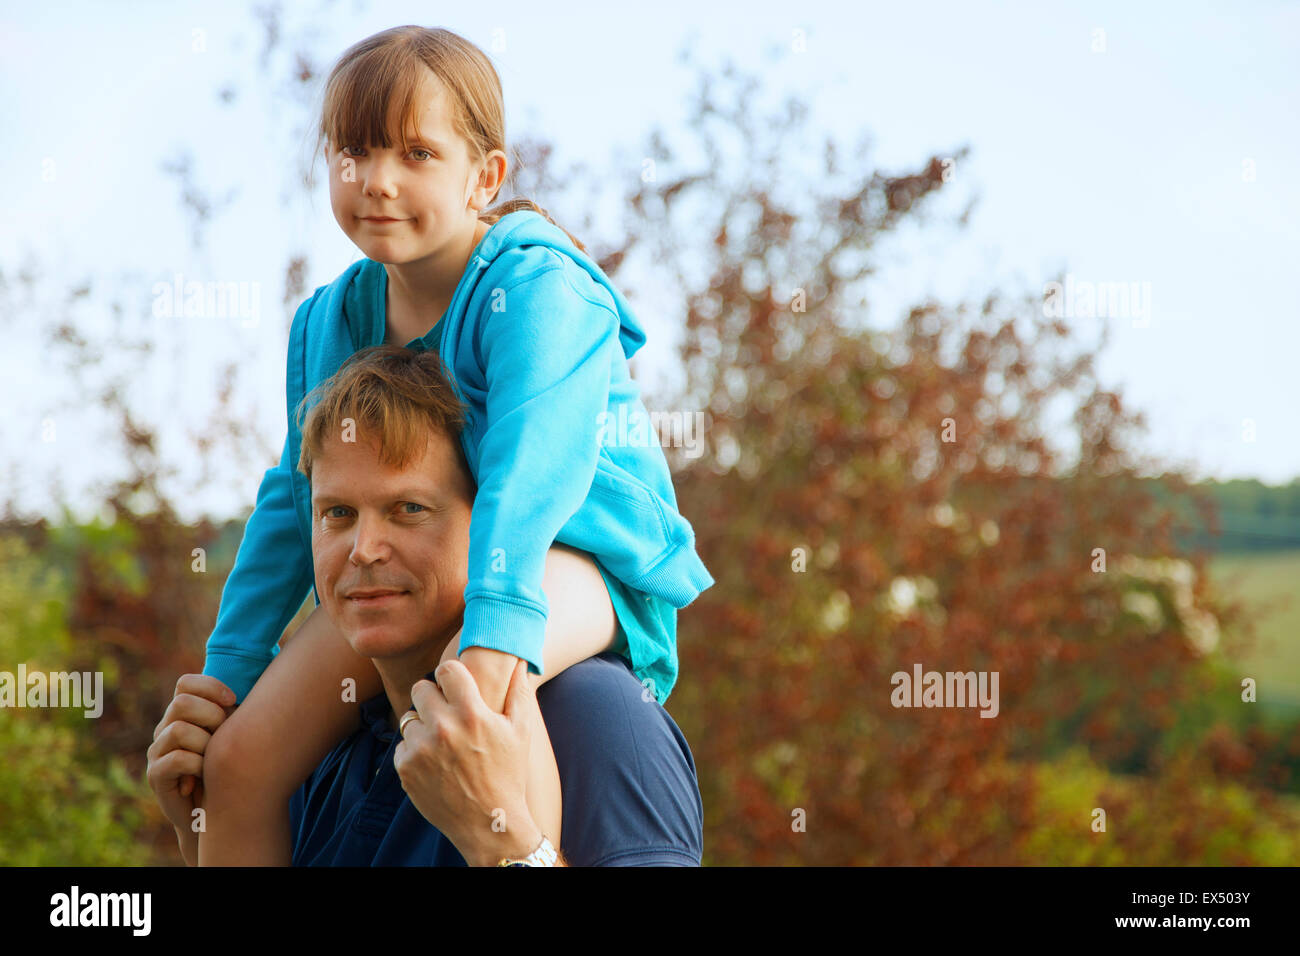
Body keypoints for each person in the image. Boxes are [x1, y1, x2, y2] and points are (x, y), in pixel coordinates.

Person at [194, 25, 714, 864]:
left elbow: (530, 471)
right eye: (354, 153)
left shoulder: (539, 290)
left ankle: (511, 843)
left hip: (579, 553)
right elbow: (295, 502)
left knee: (481, 699)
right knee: (240, 755)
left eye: (417, 154)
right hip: (431, 562)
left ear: (486, 176)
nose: (379, 182)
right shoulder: (330, 320)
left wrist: (496, 628)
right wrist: (231, 668)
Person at [148, 347, 703, 866]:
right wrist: (198, 827)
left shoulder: (600, 720)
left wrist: (504, 841)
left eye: (408, 508)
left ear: (493, 524)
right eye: (337, 514)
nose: (363, 549)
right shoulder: (312, 752)